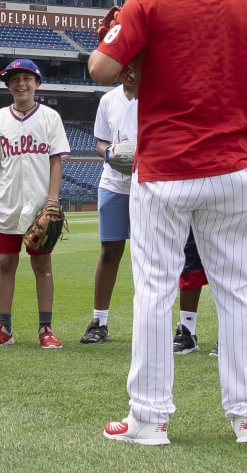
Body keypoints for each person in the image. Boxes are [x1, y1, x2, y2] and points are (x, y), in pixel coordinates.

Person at [91, 0, 247, 446]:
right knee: (237, 290)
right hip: (231, 168)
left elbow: (101, 67)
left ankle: (149, 419)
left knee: (154, 291)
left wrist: (126, 46)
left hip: (166, 169)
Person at [0, 58, 71, 350]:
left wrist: (53, 199)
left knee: (42, 263)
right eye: (15, 79)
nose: (21, 84)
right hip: (7, 202)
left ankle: (46, 328)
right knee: (6, 262)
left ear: (37, 83)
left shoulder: (50, 117)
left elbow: (56, 160)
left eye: (27, 78)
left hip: (40, 204)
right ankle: (4, 328)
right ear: (8, 86)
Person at [81, 65, 139, 345]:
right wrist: (114, 154)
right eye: (124, 68)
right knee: (109, 251)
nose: (129, 72)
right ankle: (99, 322)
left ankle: (150, 322)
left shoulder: (156, 96)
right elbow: (101, 143)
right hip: (113, 183)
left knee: (150, 255)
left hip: (150, 183)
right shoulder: (108, 100)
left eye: (134, 67)